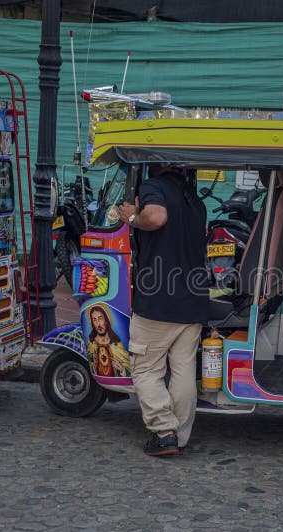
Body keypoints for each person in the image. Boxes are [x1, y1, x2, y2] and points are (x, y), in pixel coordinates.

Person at [119, 165, 208, 457]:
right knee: (183, 370)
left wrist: (131, 217)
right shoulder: (195, 201)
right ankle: (179, 436)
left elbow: (156, 217)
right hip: (193, 299)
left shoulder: (153, 187)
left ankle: (163, 431)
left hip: (158, 299)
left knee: (146, 369)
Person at [86, 304, 131, 377]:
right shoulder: (92, 343)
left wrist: (122, 370)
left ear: (106, 320)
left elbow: (129, 369)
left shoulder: (116, 344)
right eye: (94, 320)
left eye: (100, 318)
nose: (98, 324)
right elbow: (90, 364)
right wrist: (93, 361)